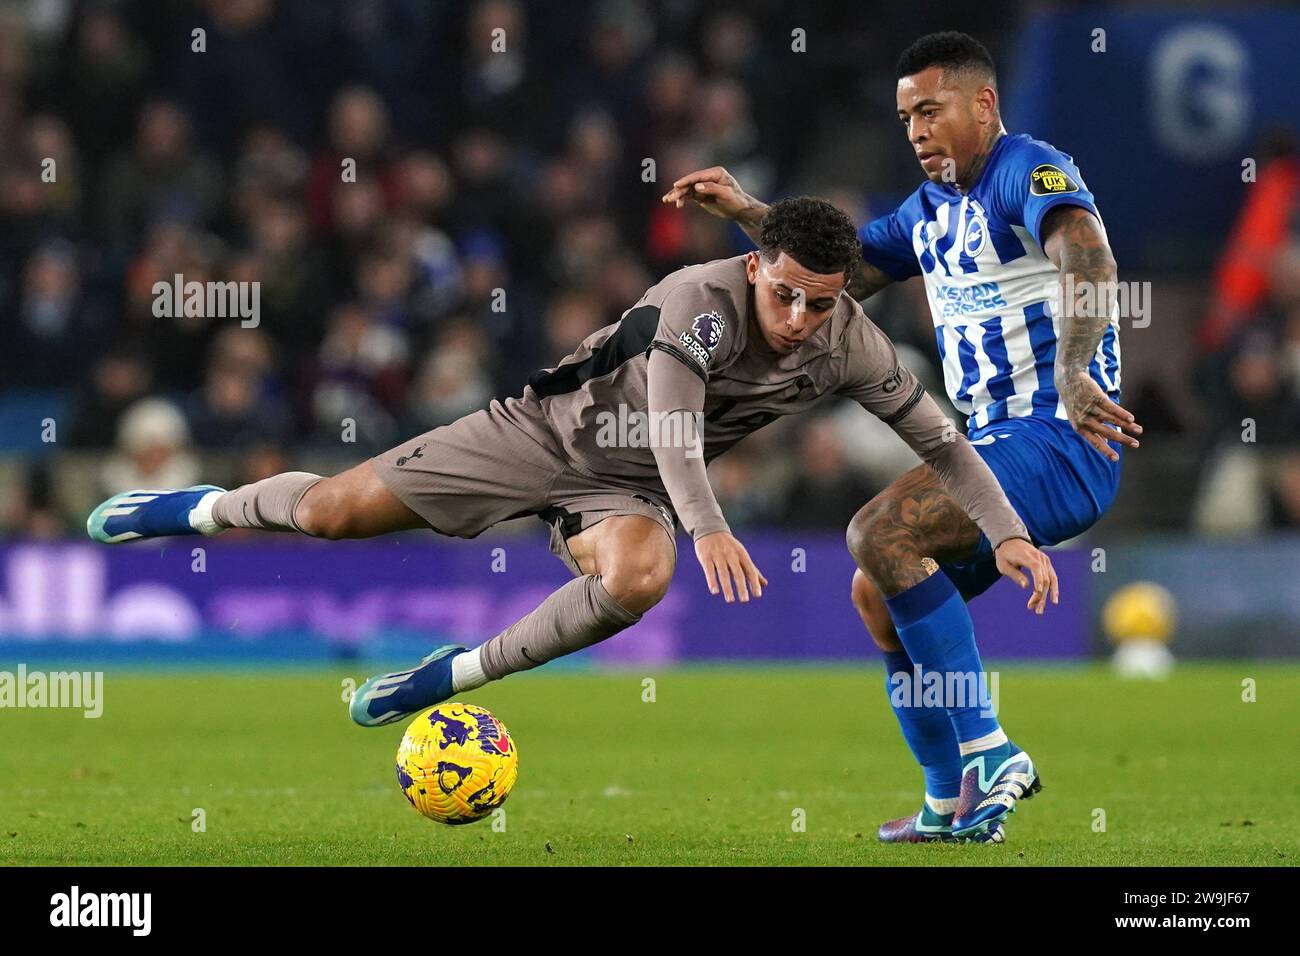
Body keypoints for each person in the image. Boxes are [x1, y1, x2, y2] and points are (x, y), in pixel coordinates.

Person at [88, 197, 1055, 845]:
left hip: (623, 494)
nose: (801, 318)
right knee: (335, 514)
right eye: (787, 293)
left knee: (639, 579)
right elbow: (676, 427)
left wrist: (1007, 532)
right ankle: (197, 507)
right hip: (538, 435)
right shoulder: (699, 301)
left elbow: (948, 444)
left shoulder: (848, 342)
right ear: (757, 265)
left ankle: (444, 676)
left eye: (822, 302)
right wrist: (712, 526)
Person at [664, 31, 1142, 842]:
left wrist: (1073, 366)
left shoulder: (1028, 168)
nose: (916, 130)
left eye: (931, 109)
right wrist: (749, 212)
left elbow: (1088, 256)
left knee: (878, 529)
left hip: (1061, 436)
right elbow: (828, 273)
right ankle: (950, 800)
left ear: (983, 104)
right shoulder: (926, 212)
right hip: (997, 445)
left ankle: (990, 753)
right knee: (875, 588)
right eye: (905, 116)